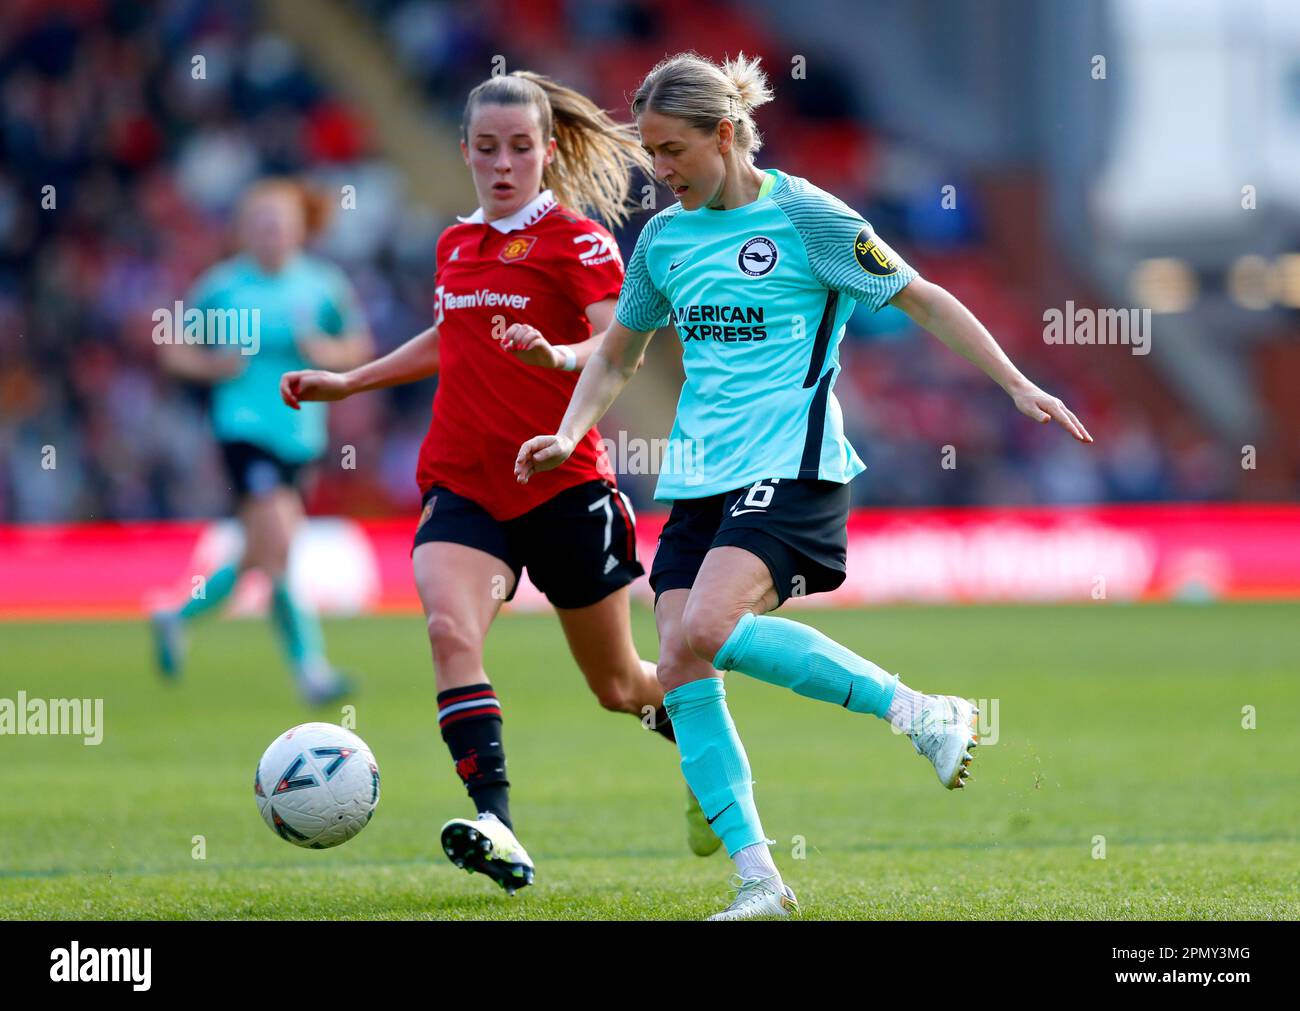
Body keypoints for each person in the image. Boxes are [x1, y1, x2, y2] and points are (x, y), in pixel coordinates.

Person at [516, 52, 1094, 919]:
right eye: (650, 154)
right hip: (700, 477)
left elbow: (922, 297)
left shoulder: (808, 216)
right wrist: (567, 433)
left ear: (724, 133)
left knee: (709, 627)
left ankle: (922, 710)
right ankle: (761, 882)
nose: (659, 172)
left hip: (794, 466)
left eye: (671, 151)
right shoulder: (667, 241)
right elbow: (619, 350)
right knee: (677, 664)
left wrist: (1014, 382)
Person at [280, 71, 722, 896]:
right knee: (450, 629)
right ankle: (499, 826)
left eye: (521, 147)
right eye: (488, 149)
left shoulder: (579, 242)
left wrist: (554, 358)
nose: (504, 163)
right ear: (466, 153)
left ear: (548, 151)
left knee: (620, 685)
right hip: (465, 484)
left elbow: (614, 346)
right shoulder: (457, 243)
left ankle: (712, 752)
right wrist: (351, 383)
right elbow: (453, 337)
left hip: (563, 485)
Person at [152, 179, 372, 705]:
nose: (271, 233)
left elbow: (358, 348)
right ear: (245, 231)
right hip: (244, 430)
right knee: (278, 550)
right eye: (261, 224)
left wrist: (324, 350)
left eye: (280, 223)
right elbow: (172, 348)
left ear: (298, 229)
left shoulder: (322, 285)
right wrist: (213, 366)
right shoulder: (223, 287)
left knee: (260, 552)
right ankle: (311, 670)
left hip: (301, 433)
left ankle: (176, 615)